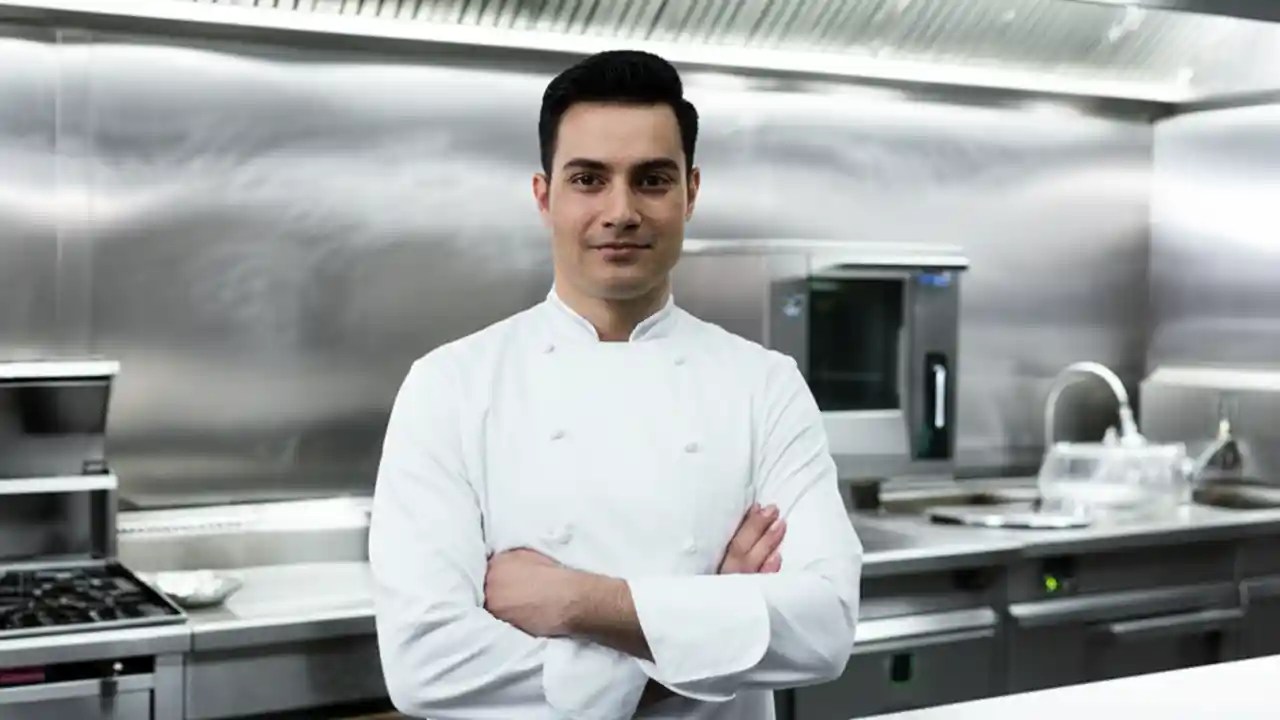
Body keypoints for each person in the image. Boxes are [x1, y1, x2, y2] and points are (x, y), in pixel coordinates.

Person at [369, 49, 863, 720]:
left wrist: (577, 603)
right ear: (545, 196)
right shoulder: (449, 387)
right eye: (589, 179)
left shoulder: (764, 386)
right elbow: (425, 665)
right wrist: (708, 627)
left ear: (691, 192)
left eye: (652, 180)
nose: (621, 210)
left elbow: (825, 627)